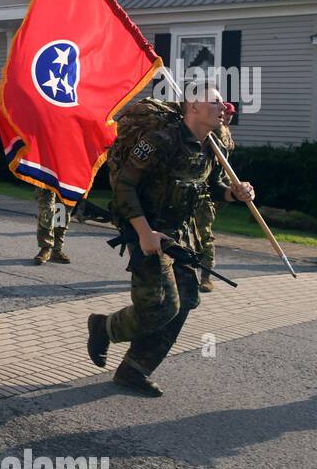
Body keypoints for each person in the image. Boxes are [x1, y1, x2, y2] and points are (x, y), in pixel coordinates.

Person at [86, 85, 255, 396]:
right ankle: (104, 327)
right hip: (148, 232)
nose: (224, 106)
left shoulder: (211, 146)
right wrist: (144, 232)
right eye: (214, 101)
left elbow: (207, 187)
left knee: (187, 300)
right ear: (192, 107)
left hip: (180, 236)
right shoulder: (160, 141)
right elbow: (124, 185)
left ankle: (134, 370)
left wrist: (234, 192)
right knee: (161, 307)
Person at [192, 94, 236, 291]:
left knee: (204, 234)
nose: (227, 116)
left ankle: (206, 277)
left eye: (229, 114)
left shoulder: (222, 132)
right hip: (195, 189)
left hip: (208, 192)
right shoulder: (216, 130)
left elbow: (218, 171)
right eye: (227, 113)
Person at [34, 188, 70, 264]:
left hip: (66, 179)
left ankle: (57, 249)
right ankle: (45, 248)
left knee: (62, 210)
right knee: (46, 211)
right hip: (48, 179)